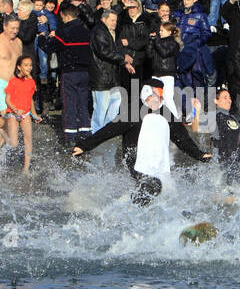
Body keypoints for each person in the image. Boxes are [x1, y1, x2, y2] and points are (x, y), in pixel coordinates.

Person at [73, 80, 212, 206]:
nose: (160, 99)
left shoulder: (166, 113)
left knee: (167, 191)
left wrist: (199, 154)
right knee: (153, 185)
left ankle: (131, 203)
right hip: (136, 160)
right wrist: (84, 146)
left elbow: (182, 138)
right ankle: (133, 209)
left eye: (162, 96)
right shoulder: (133, 112)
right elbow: (109, 130)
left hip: (157, 162)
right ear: (147, 94)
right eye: (157, 95)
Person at [50, 1, 92, 145]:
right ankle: (86, 134)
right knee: (83, 104)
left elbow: (50, 47)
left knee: (69, 104)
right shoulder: (86, 30)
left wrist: (45, 37)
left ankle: (70, 137)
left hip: (69, 72)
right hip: (85, 72)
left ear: (66, 16)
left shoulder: (64, 31)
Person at [90, 9, 130, 132]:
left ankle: (107, 130)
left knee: (115, 102)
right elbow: (104, 52)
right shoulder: (99, 32)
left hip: (111, 75)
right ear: (104, 19)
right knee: (101, 107)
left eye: (116, 21)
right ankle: (96, 132)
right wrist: (123, 60)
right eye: (112, 20)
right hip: (101, 75)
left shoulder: (108, 31)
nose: (114, 23)